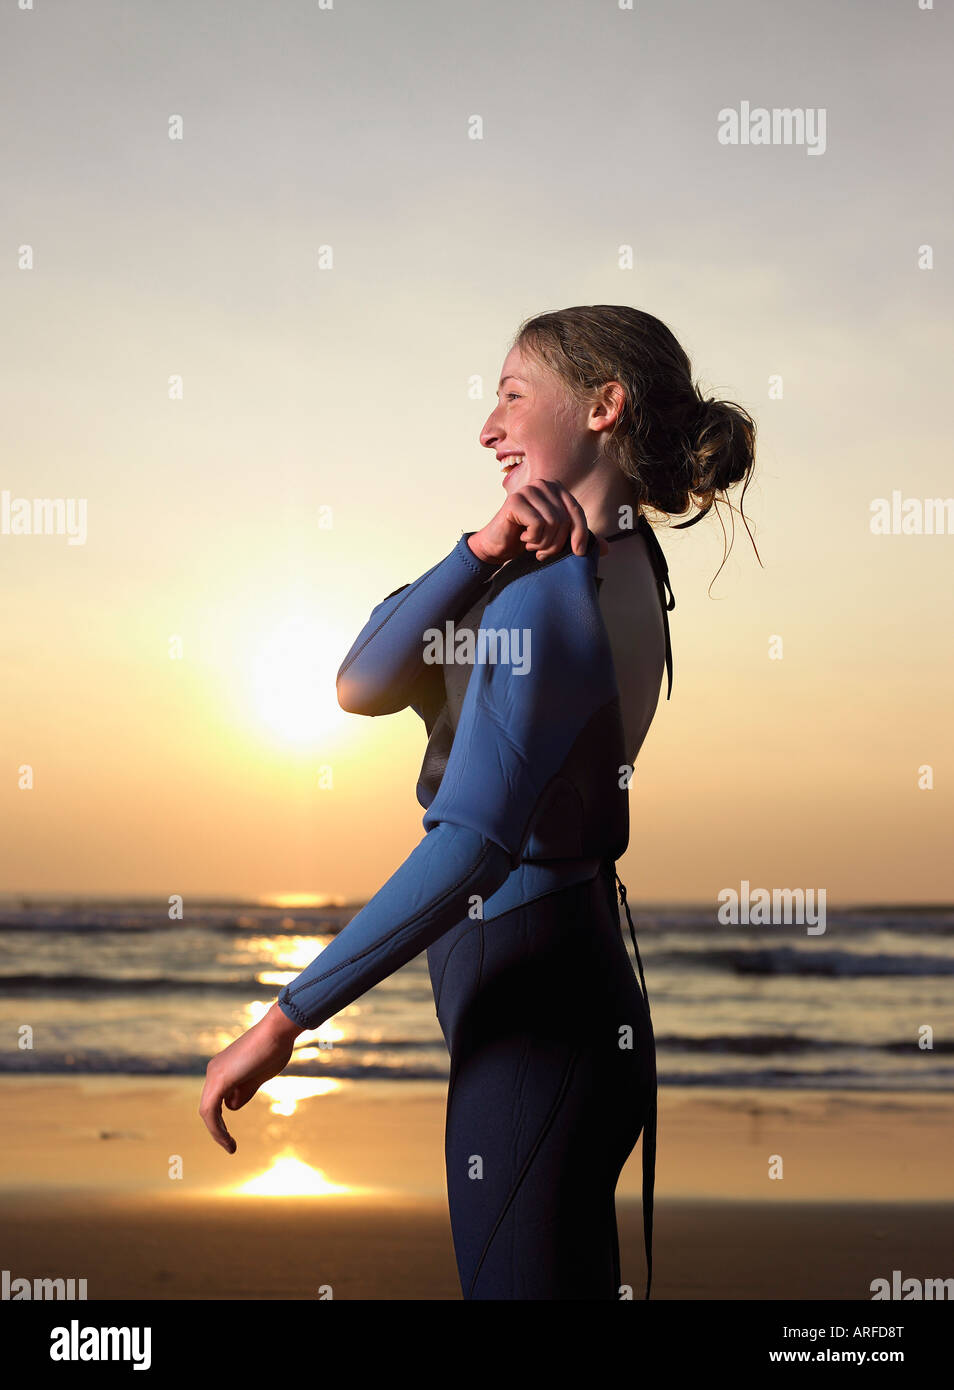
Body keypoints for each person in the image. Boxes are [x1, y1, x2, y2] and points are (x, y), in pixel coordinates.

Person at [199, 304, 757, 1300]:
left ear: (603, 405)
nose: (489, 428)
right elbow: (360, 681)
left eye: (510, 395)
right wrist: (480, 546)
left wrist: (287, 1017)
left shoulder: (547, 604)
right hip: (575, 997)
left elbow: (471, 848)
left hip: (533, 1017)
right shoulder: (624, 568)